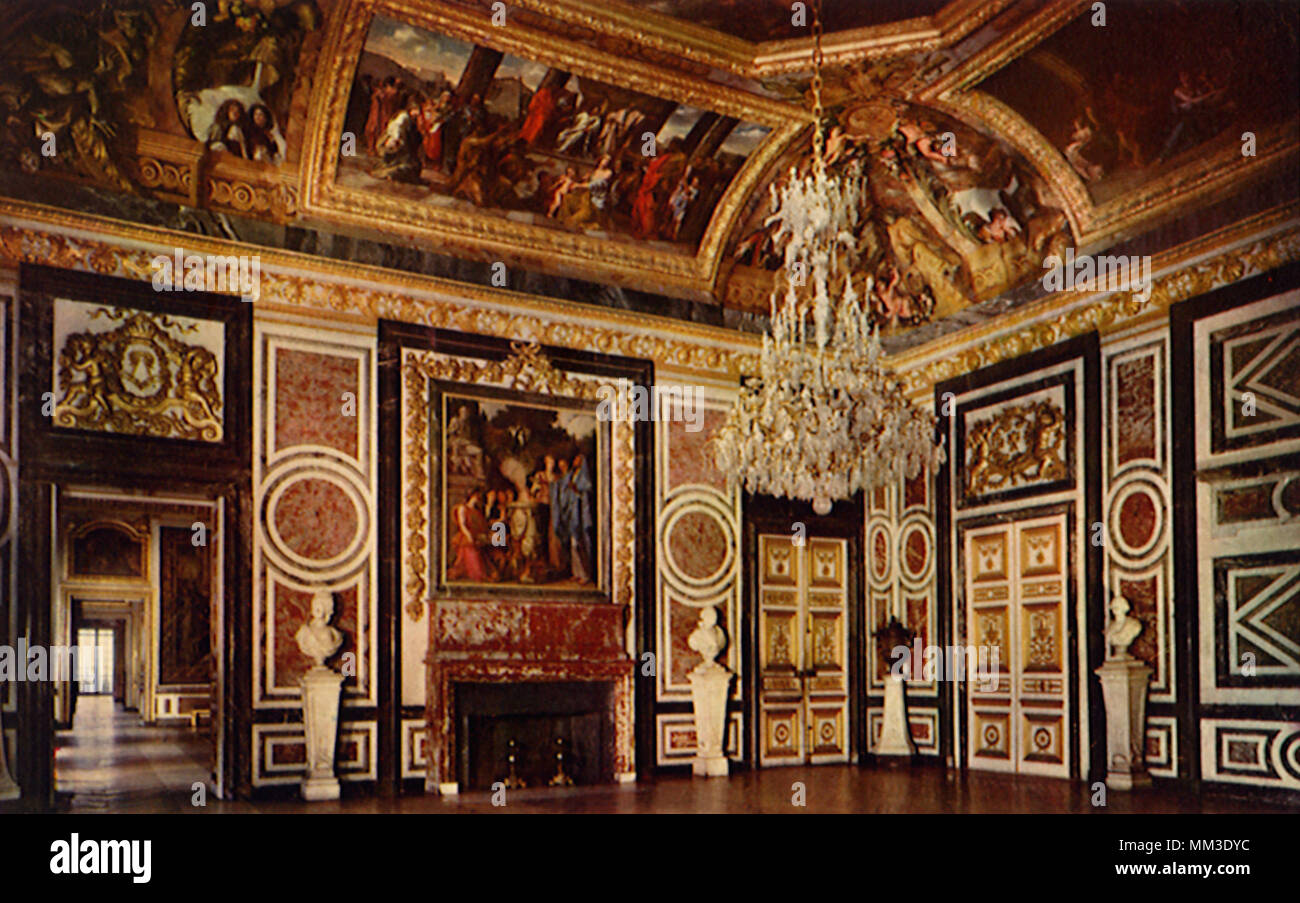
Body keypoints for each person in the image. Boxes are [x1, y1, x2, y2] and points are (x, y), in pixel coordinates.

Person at [447, 487, 492, 582]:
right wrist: (469, 536)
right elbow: (462, 524)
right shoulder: (462, 508)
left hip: (476, 539)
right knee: (474, 566)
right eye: (476, 497)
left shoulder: (477, 511)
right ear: (471, 496)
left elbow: (482, 525)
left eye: (479, 497)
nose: (477, 499)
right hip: (466, 538)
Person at [567, 452, 594, 585]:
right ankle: (576, 572)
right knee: (573, 544)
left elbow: (585, 490)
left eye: (577, 459)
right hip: (573, 514)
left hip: (581, 514)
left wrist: (576, 489)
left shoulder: (583, 476)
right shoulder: (573, 474)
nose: (575, 461)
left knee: (582, 543)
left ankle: (585, 574)